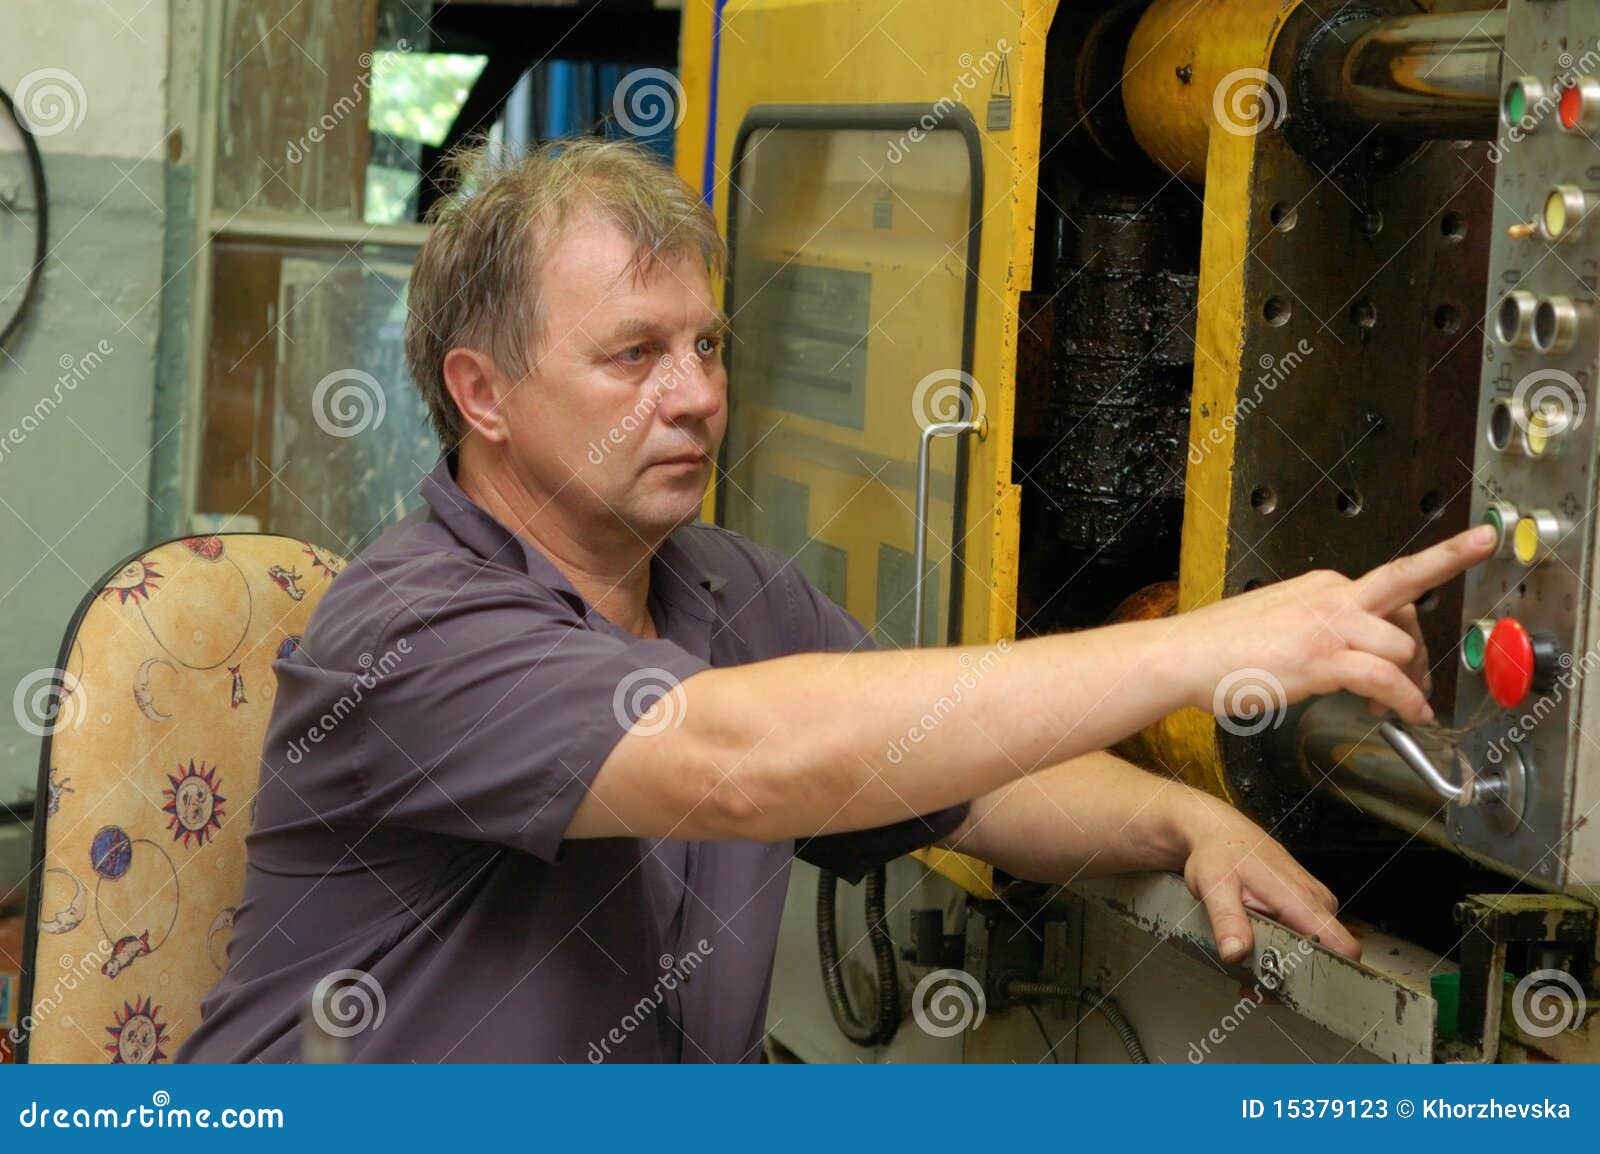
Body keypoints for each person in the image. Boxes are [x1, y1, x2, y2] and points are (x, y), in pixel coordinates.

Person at [178, 139, 1494, 1063]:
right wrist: (1208, 647)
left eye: (707, 345)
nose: (694, 393)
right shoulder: (409, 630)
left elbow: (950, 773)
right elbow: (737, 761)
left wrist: (1177, 812)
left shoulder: (726, 587)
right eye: (632, 354)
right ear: (482, 395)